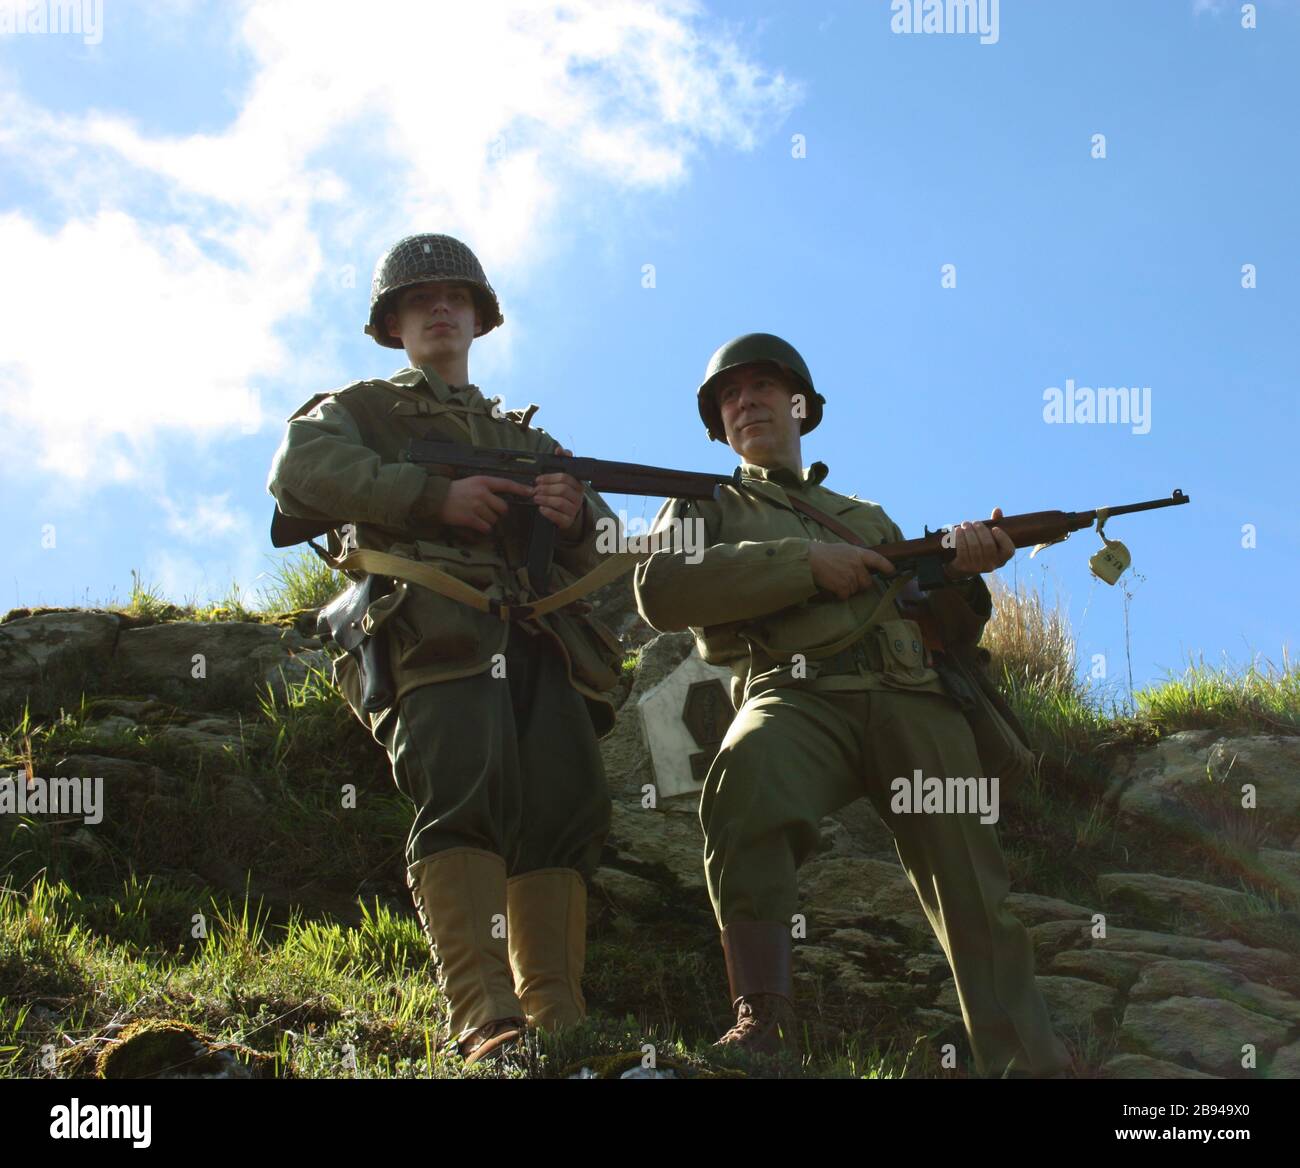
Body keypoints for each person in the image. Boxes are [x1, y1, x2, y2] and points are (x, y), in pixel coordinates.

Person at [632, 333, 1072, 1078]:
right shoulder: (705, 503)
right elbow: (662, 590)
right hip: (794, 693)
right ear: (719, 422)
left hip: (912, 698)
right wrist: (804, 564)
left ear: (799, 405)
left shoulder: (865, 517)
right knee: (747, 784)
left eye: (763, 387)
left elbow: (933, 621)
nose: (747, 403)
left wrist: (966, 571)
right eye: (730, 396)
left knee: (970, 883)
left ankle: (1031, 1065)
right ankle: (763, 1025)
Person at [266, 233, 621, 1064]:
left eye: (455, 298)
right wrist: (433, 497)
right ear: (393, 322)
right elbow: (301, 469)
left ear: (478, 318)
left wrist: (574, 516)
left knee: (564, 807)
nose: (438, 309)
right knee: (461, 793)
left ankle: (558, 1018)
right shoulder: (361, 408)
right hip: (433, 626)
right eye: (419, 300)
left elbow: (603, 547)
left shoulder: (523, 437)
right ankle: (486, 1017)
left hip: (539, 637)